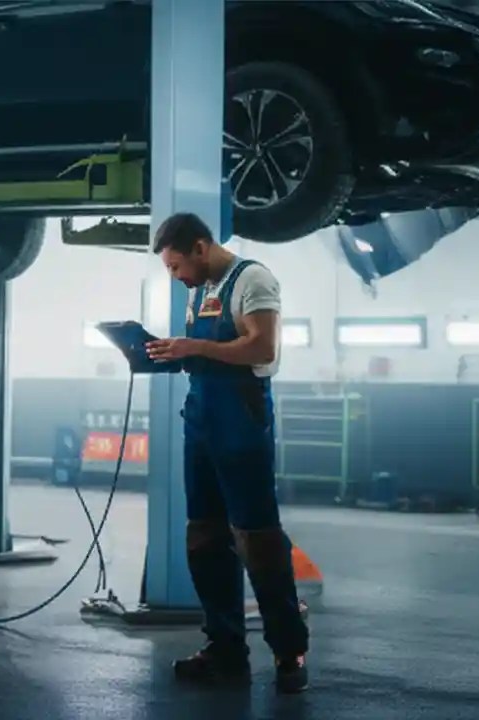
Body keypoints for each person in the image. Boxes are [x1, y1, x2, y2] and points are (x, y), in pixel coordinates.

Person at [144, 211, 309, 694]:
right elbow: (212, 350)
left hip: (241, 416)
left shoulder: (252, 278)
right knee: (204, 538)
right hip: (201, 419)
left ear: (200, 247)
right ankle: (225, 648)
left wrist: (195, 344)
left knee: (257, 539)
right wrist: (170, 353)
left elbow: (261, 347)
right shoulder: (202, 289)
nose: (174, 277)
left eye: (176, 267)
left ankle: (288, 651)